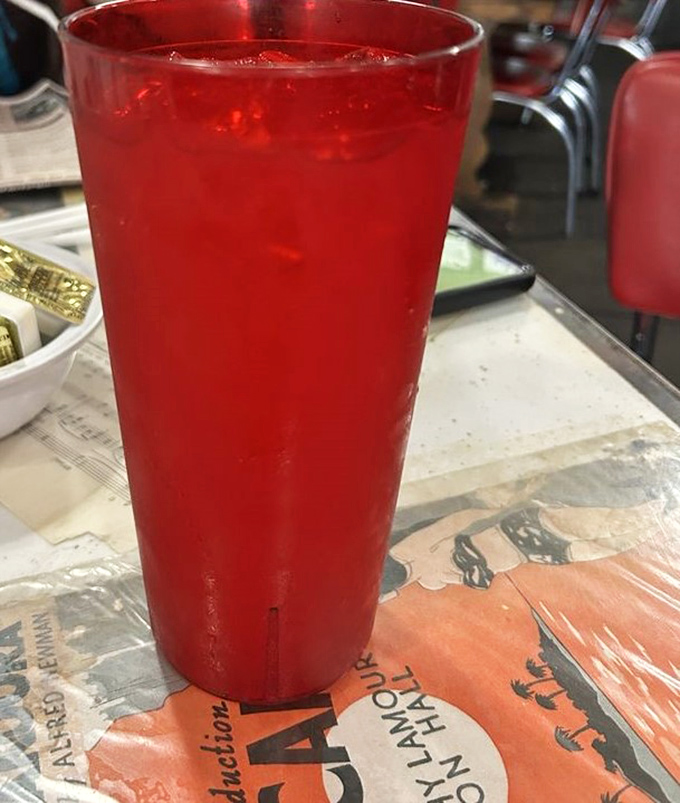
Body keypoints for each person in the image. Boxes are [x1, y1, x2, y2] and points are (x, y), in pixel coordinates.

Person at [381, 437, 680, 597]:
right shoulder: (421, 576)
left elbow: (452, 525)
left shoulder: (404, 557)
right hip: (524, 546)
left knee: (616, 529)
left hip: (517, 535)